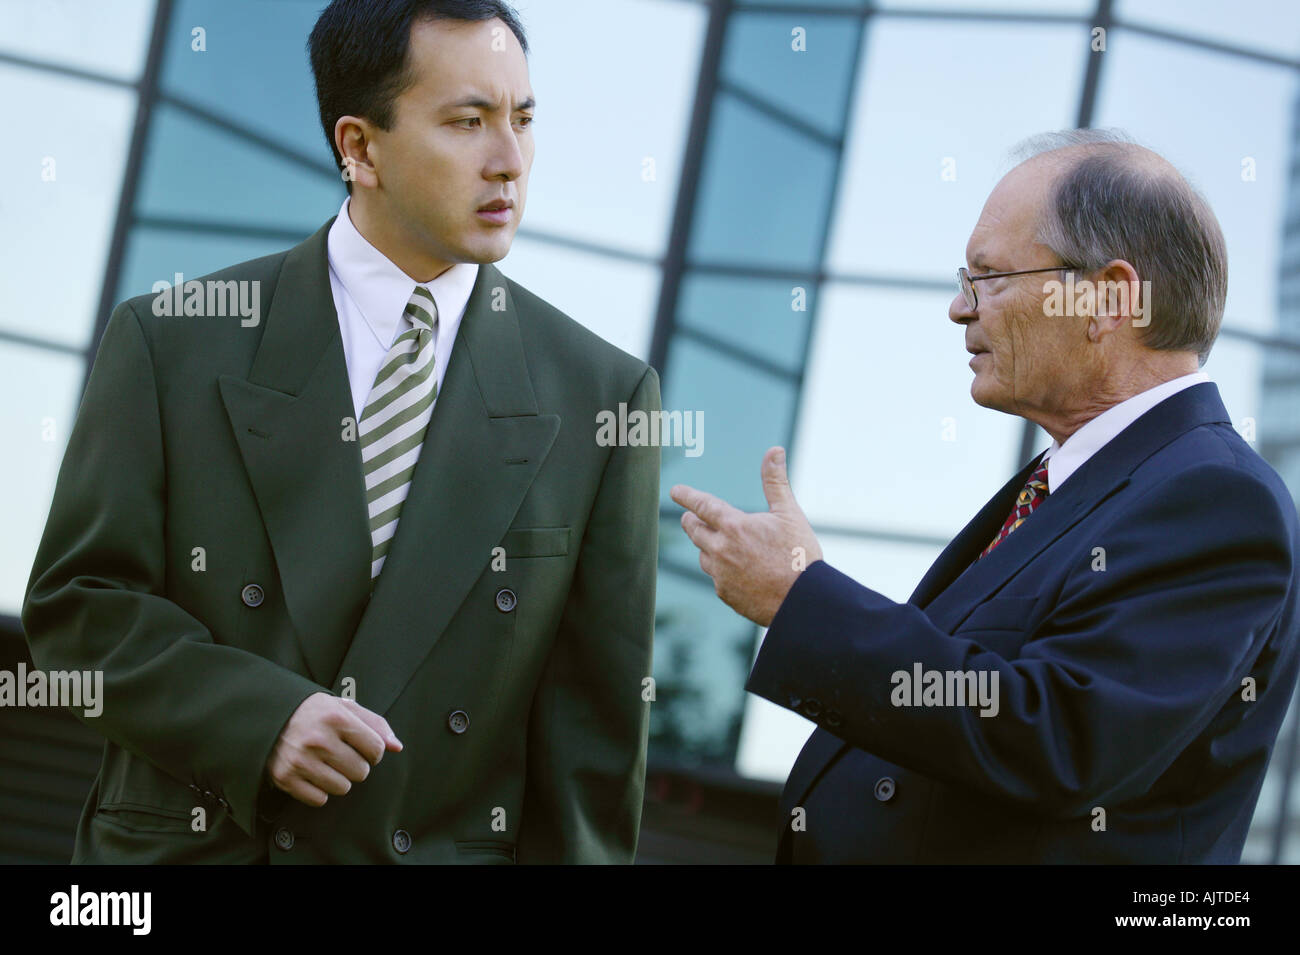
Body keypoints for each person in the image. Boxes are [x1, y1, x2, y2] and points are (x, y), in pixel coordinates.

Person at [22, 0, 660, 864]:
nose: (509, 161)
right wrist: (258, 717)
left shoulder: (603, 398)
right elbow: (79, 611)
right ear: (359, 148)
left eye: (523, 119)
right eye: (468, 122)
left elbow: (591, 755)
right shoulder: (173, 339)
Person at [672, 128, 1300, 863]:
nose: (959, 309)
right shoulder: (1069, 481)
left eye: (989, 277)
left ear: (1107, 298)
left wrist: (801, 599)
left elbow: (1061, 737)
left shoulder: (1215, 499)